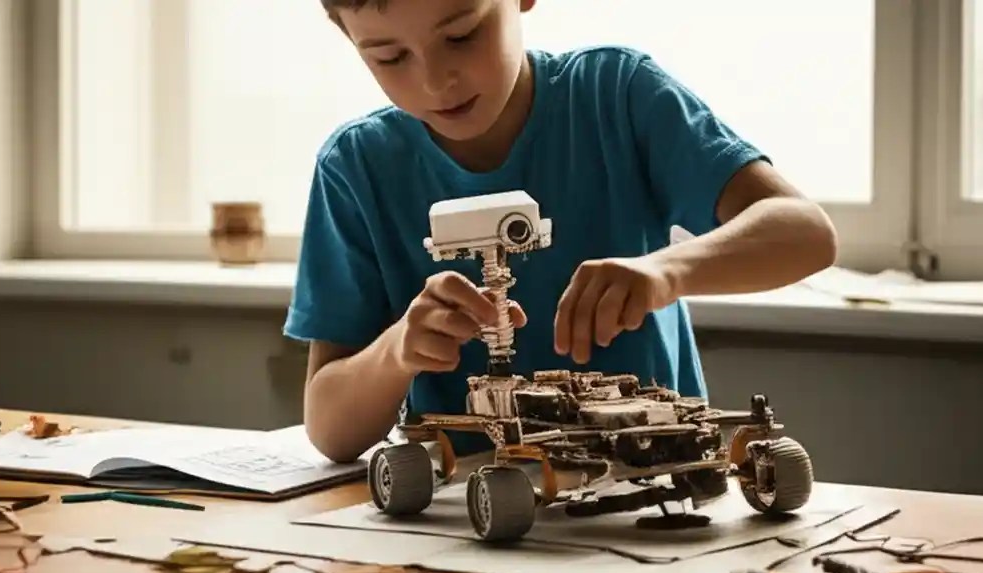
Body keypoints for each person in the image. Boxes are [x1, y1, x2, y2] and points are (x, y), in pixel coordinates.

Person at [284, 0, 837, 463]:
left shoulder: (617, 96)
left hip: (651, 484)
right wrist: (397, 351)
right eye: (389, 56)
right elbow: (332, 432)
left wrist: (665, 272)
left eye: (462, 34)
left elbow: (805, 232)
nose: (435, 80)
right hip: (471, 522)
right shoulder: (355, 167)